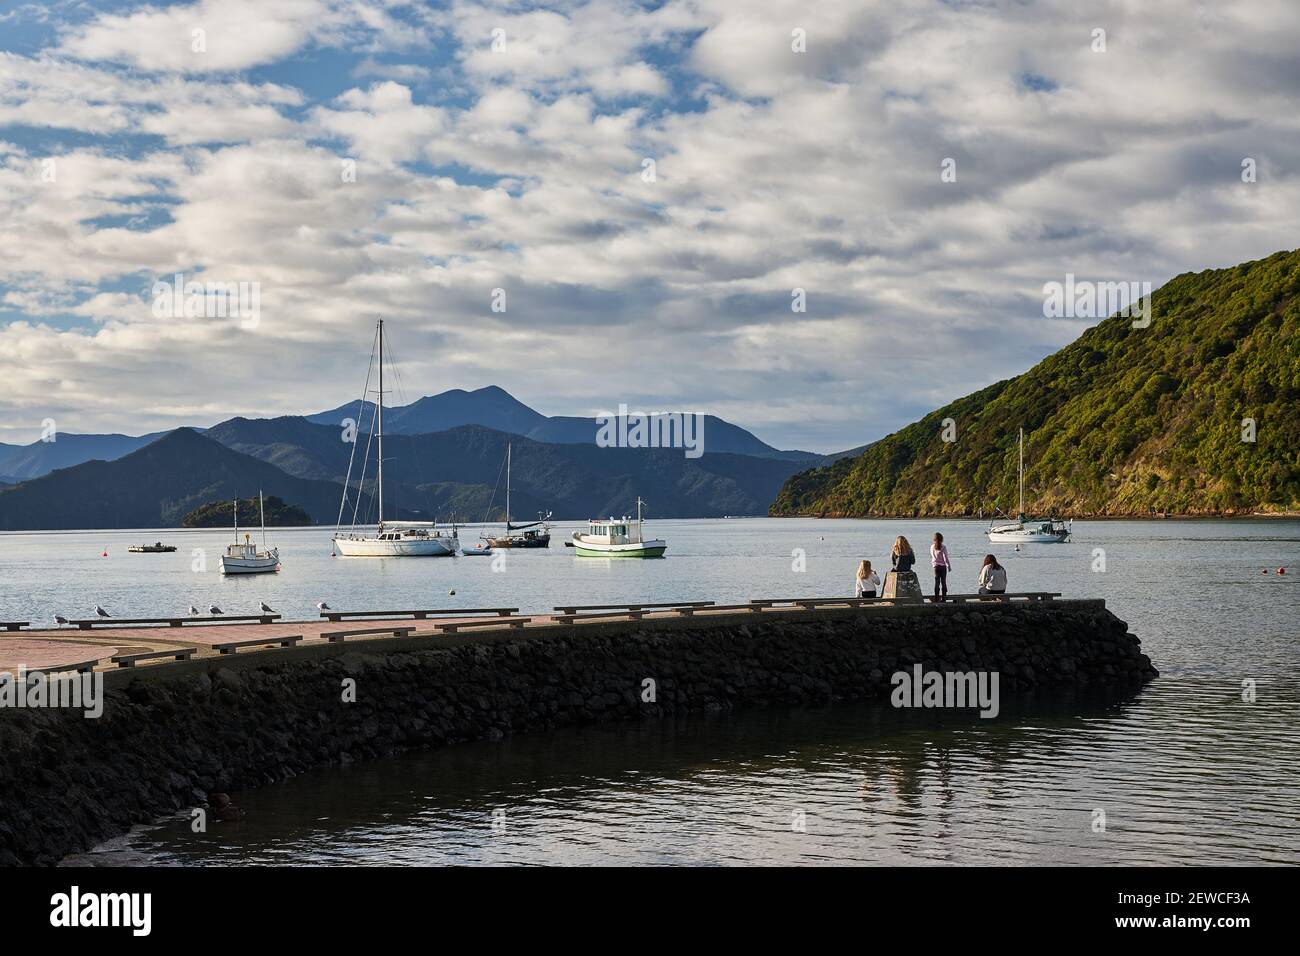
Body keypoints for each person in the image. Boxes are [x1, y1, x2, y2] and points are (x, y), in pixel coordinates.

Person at [930, 532, 952, 601]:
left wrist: (934, 564)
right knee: (943, 582)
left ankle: (937, 598)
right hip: (943, 567)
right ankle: (944, 598)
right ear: (942, 539)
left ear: (934, 539)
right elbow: (945, 558)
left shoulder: (932, 547)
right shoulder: (943, 547)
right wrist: (949, 566)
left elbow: (932, 556)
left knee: (937, 582)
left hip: (936, 567)